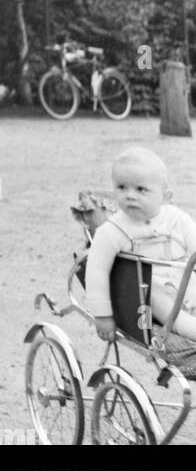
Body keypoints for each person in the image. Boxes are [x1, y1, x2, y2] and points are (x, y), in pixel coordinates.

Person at [85, 146, 196, 342]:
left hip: (184, 280)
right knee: (168, 309)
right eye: (121, 187)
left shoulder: (177, 219)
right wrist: (102, 315)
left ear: (166, 197)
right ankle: (191, 330)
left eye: (140, 189)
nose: (130, 195)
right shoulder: (112, 231)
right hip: (149, 293)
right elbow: (97, 271)